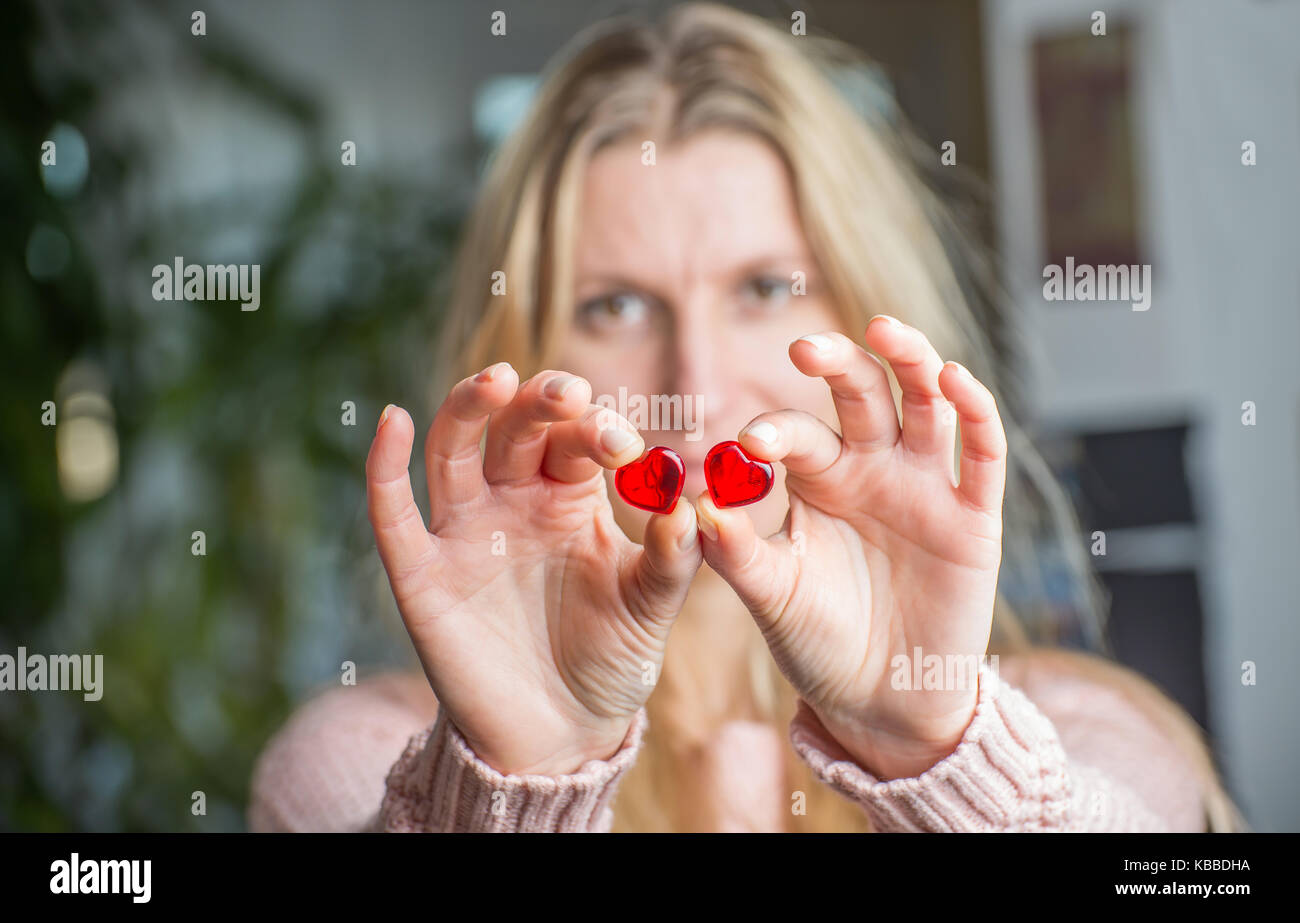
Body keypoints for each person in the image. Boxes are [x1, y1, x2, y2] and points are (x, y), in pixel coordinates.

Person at [248, 2, 1242, 833]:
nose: (698, 380)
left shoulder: (1088, 737)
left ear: (868, 315)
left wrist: (935, 753)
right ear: (517, 349)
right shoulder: (358, 767)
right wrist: (514, 785)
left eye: (765, 286)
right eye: (615, 305)